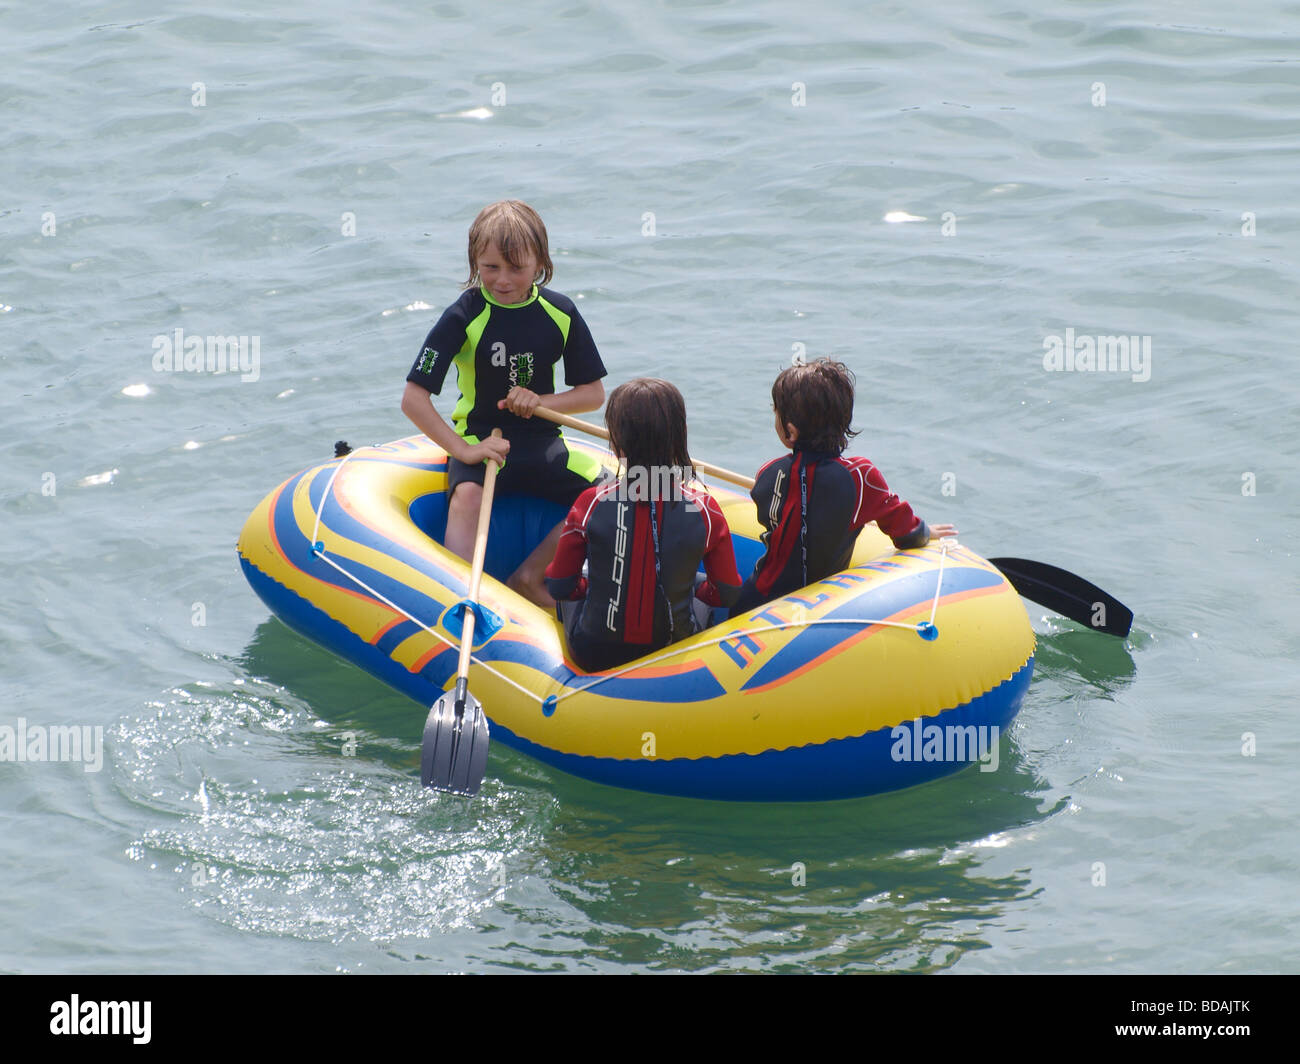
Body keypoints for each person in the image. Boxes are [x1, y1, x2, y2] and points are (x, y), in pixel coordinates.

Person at [400, 200, 608, 607]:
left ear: (541, 264)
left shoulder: (560, 312)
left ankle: (531, 578)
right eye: (490, 267)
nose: (503, 280)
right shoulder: (463, 316)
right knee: (468, 498)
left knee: (605, 495)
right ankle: (457, 600)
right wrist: (465, 450)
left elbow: (593, 394)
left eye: (517, 268)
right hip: (481, 440)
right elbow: (414, 398)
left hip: (544, 443)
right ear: (475, 261)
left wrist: (542, 401)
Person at [544, 379, 742, 672]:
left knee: (581, 585)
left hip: (594, 653)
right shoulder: (703, 508)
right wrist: (692, 594)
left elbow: (560, 585)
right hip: (672, 651)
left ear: (618, 443)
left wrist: (589, 587)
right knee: (696, 585)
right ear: (678, 439)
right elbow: (726, 592)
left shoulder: (592, 502)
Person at [731, 359, 956, 614]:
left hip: (753, 604)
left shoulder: (768, 475)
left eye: (775, 413)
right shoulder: (861, 477)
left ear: (790, 432)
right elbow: (907, 534)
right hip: (817, 610)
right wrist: (924, 531)